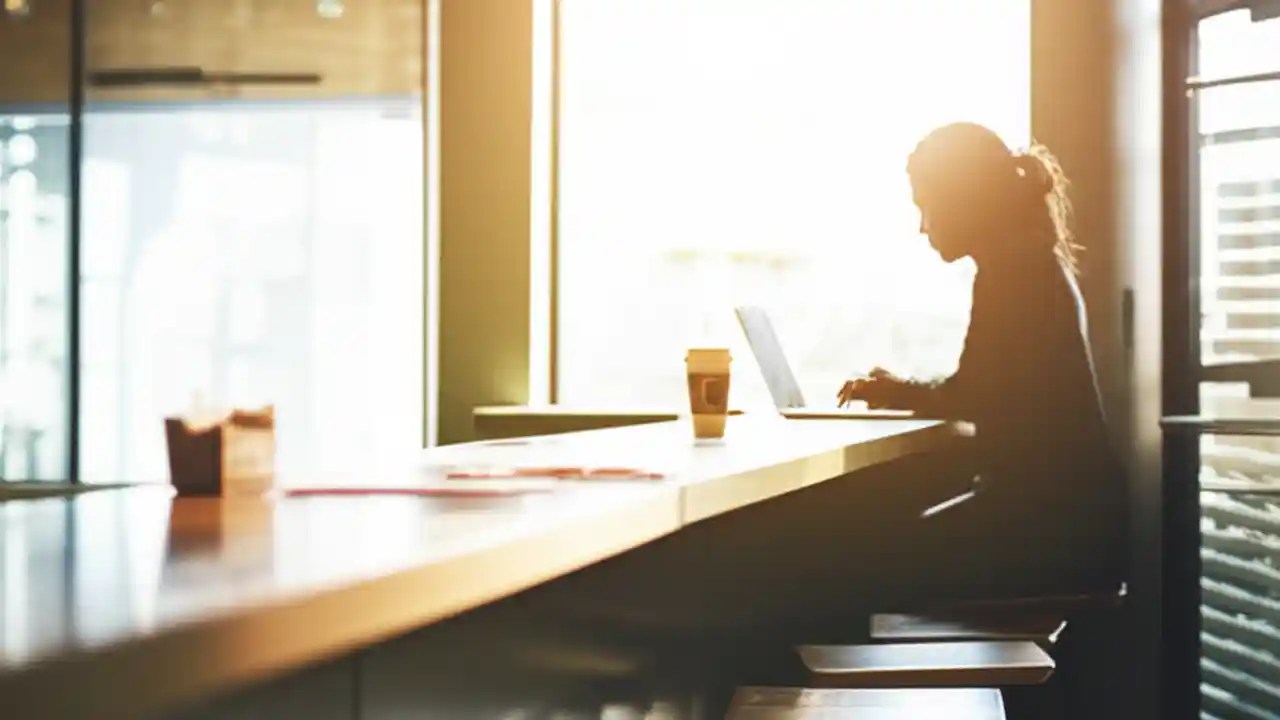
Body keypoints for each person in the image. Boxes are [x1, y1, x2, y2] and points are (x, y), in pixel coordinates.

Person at [837, 122, 1128, 600]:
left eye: (926, 204)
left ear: (964, 199)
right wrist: (906, 390)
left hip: (1052, 530)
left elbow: (976, 393)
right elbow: (988, 387)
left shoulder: (1013, 272)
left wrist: (898, 392)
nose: (923, 225)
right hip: (1075, 522)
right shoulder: (1026, 262)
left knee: (850, 559)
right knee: (873, 552)